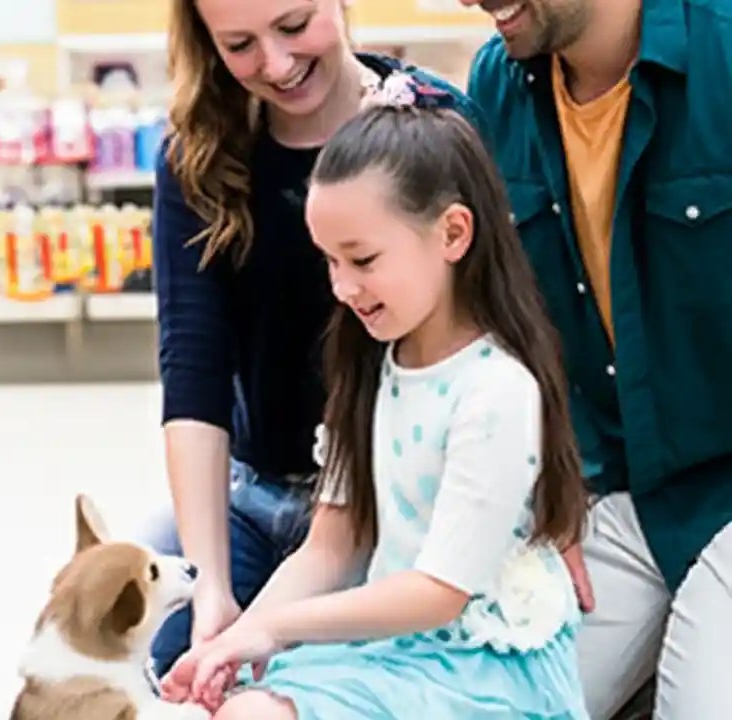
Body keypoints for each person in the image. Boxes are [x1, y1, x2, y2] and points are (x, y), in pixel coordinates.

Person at [158, 100, 590, 719]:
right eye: (330, 261)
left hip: (476, 665)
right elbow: (332, 546)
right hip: (393, 650)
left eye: (362, 260)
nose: (342, 287)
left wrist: (276, 628)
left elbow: (440, 593)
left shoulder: (496, 389)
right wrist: (233, 642)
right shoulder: (369, 365)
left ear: (453, 233)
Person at [145, 0, 488, 676]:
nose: (275, 64)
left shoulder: (433, 125)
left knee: (319, 683)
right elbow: (193, 370)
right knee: (166, 663)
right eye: (239, 44)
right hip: (251, 493)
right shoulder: (200, 154)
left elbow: (491, 321)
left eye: (295, 27)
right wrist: (209, 582)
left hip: (394, 504)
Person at [462, 0, 732, 717]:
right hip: (618, 493)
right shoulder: (499, 84)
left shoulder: (724, 55)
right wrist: (542, 489)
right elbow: (496, 323)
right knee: (489, 704)